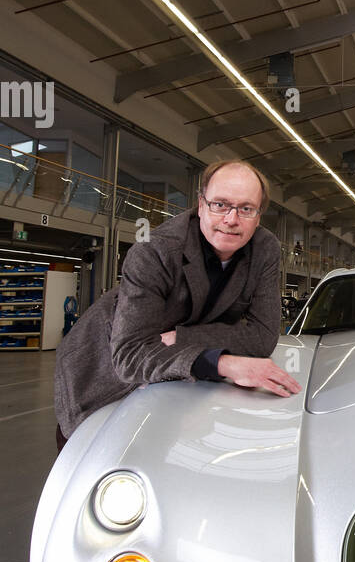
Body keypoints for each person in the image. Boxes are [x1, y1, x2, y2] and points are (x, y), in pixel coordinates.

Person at [54, 160, 300, 449]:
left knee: (165, 455)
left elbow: (263, 336)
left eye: (246, 209)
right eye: (220, 204)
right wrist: (221, 362)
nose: (232, 219)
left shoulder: (264, 248)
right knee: (97, 464)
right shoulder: (155, 250)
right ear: (201, 205)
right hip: (102, 371)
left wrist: (182, 338)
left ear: (258, 216)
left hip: (171, 375)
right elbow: (130, 354)